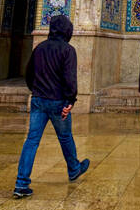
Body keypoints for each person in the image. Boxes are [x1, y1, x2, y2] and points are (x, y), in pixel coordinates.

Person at [13, 14, 90, 198]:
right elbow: (69, 79)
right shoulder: (67, 50)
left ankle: (21, 183)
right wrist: (70, 101)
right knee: (65, 137)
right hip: (58, 102)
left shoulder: (39, 48)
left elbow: (29, 73)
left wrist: (36, 90)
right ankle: (73, 169)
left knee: (32, 140)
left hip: (39, 100)